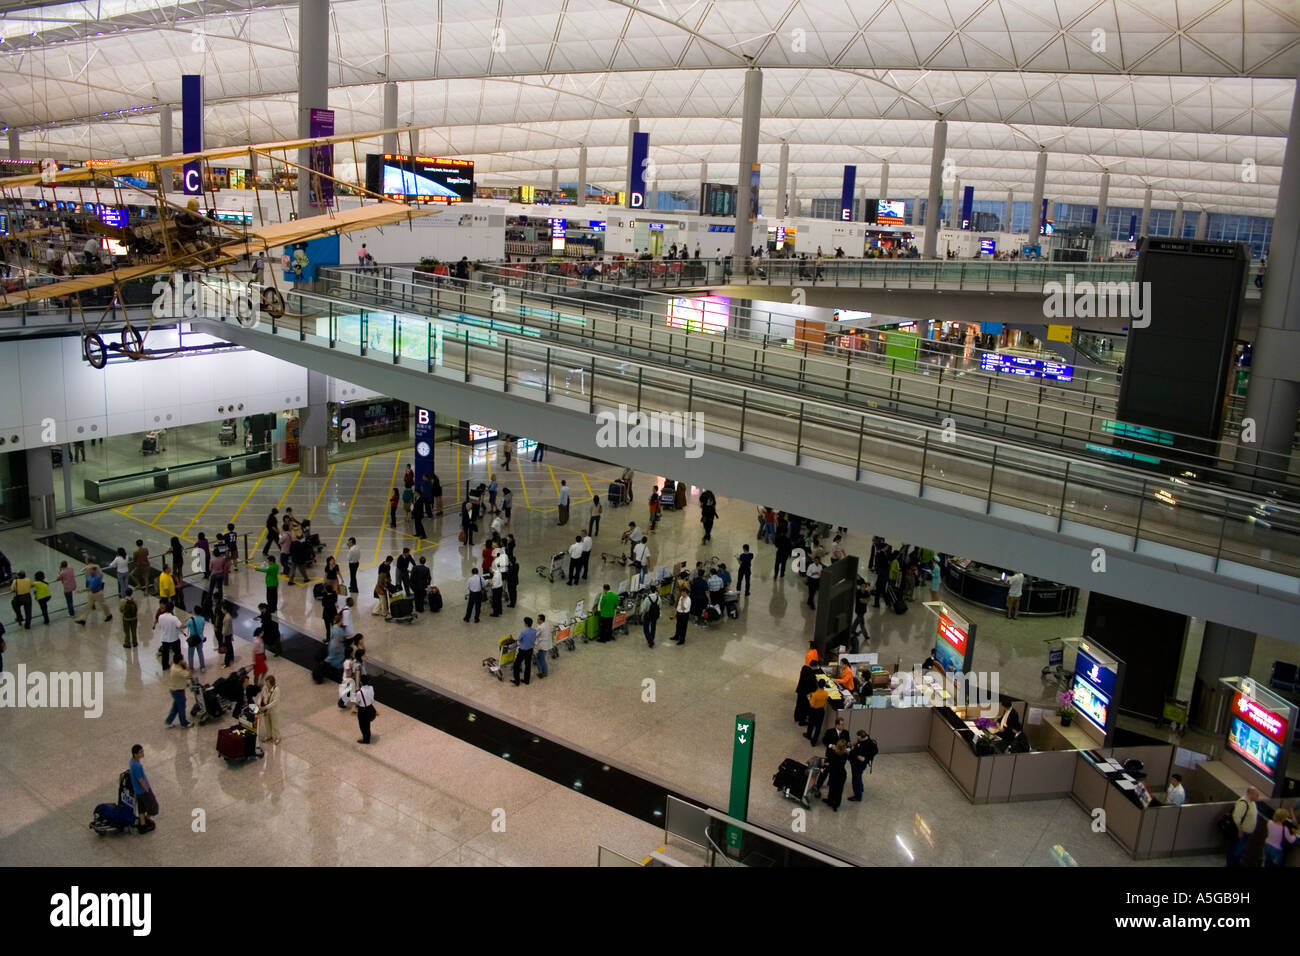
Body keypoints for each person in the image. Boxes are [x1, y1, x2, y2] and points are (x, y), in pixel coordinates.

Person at [1227, 787, 1260, 867]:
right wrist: (1240, 831)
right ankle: (1232, 864)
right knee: (1236, 850)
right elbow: (1236, 817)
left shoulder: (1251, 802)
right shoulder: (1243, 803)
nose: (1258, 797)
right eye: (1257, 795)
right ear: (1251, 794)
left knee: (1238, 849)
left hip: (1247, 832)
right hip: (1241, 832)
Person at [128, 745, 157, 833]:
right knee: (153, 807)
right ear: (135, 754)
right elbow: (140, 780)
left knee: (141, 807)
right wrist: (147, 790)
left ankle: (142, 824)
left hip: (137, 791)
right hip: (143, 790)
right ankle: (146, 819)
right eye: (141, 752)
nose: (143, 753)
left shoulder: (132, 762)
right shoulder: (137, 766)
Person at [848, 730, 877, 802]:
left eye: (858, 737)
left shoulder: (868, 745)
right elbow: (858, 744)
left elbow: (874, 752)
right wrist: (855, 744)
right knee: (859, 776)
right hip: (857, 763)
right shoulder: (866, 739)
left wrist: (865, 758)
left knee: (855, 780)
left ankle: (857, 796)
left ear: (861, 737)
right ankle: (861, 788)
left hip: (858, 764)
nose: (857, 738)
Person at [164, 658, 193, 729]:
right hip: (179, 691)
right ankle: (184, 723)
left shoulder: (173, 666)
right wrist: (186, 666)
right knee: (182, 708)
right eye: (182, 659)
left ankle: (168, 721)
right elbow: (189, 674)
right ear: (180, 661)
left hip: (173, 689)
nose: (183, 660)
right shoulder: (179, 671)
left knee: (176, 707)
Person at [823, 738, 849, 812]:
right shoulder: (845, 754)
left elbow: (831, 762)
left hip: (836, 774)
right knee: (835, 789)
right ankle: (832, 801)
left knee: (835, 789)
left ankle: (834, 803)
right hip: (840, 774)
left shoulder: (835, 753)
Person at [256, 674, 281, 746]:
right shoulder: (265, 687)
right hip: (266, 710)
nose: (266, 684)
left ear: (271, 683)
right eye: (266, 682)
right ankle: (269, 735)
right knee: (267, 723)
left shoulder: (276, 690)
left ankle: (277, 737)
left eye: (267, 683)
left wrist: (265, 707)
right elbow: (261, 696)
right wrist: (258, 704)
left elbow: (275, 702)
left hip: (273, 710)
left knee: (275, 724)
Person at [513, 617, 538, 686]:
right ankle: (526, 680)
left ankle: (517, 681)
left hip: (522, 651)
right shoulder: (534, 631)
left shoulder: (523, 632)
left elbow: (519, 640)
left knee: (516, 665)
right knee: (528, 665)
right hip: (530, 650)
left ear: (526, 623)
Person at [805, 682, 829, 746]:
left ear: (818, 685)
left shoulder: (815, 694)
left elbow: (812, 704)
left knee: (811, 723)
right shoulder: (826, 693)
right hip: (821, 710)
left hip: (814, 711)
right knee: (818, 726)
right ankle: (814, 741)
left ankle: (809, 735)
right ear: (824, 685)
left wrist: (809, 698)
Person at [794, 662, 818, 726]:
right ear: (814, 666)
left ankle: (797, 717)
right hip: (805, 693)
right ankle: (802, 721)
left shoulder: (804, 668)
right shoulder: (811, 673)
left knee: (799, 704)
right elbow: (813, 684)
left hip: (800, 690)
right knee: (804, 707)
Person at [184, 606, 207, 672]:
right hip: (200, 638)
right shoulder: (203, 619)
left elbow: (183, 626)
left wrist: (186, 619)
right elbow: (202, 629)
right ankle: (202, 667)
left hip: (192, 639)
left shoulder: (190, 620)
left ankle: (191, 668)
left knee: (190, 654)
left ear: (194, 611)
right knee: (200, 652)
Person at [355, 678, 376, 744]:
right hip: (370, 708)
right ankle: (368, 736)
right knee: (367, 724)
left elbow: (356, 702)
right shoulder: (371, 687)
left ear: (361, 683)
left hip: (362, 710)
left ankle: (366, 740)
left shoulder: (359, 692)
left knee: (363, 726)